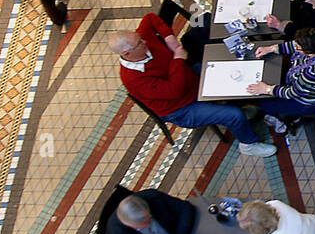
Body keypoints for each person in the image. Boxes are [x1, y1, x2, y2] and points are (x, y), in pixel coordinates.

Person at [110, 14, 276, 157]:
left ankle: (239, 105)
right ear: (127, 54)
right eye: (140, 43)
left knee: (229, 68)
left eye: (140, 38)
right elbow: (174, 91)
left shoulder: (141, 40)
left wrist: (169, 38)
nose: (145, 41)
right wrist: (178, 59)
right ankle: (248, 144)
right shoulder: (133, 79)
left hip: (189, 78)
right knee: (233, 115)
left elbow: (150, 18)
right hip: (180, 107)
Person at [249, 26, 315, 123]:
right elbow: (296, 44)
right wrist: (271, 49)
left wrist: (267, 89)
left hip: (305, 101)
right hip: (302, 83)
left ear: (308, 53)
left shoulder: (314, 74)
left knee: (263, 104)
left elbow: (292, 93)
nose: (295, 47)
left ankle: (294, 117)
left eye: (298, 48)